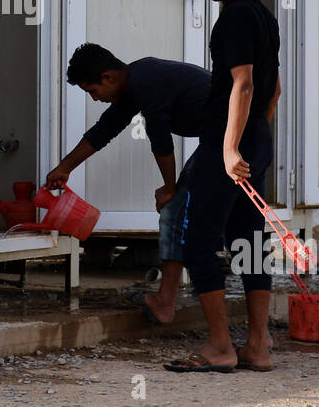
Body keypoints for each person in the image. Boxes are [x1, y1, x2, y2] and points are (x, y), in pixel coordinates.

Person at [164, 0, 281, 374]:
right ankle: (258, 347)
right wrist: (256, 136)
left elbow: (245, 85)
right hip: (257, 141)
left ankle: (219, 348)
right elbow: (275, 90)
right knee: (250, 242)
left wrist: (230, 147)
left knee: (198, 242)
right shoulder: (264, 16)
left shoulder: (232, 20)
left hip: (227, 147)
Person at [45, 44, 212, 325]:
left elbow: (160, 140)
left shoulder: (146, 82)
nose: (95, 99)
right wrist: (64, 168)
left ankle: (165, 303)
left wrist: (169, 187)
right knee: (187, 213)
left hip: (233, 136)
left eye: (93, 92)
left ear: (108, 77)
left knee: (175, 210)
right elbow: (104, 130)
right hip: (228, 135)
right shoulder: (135, 80)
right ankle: (171, 299)